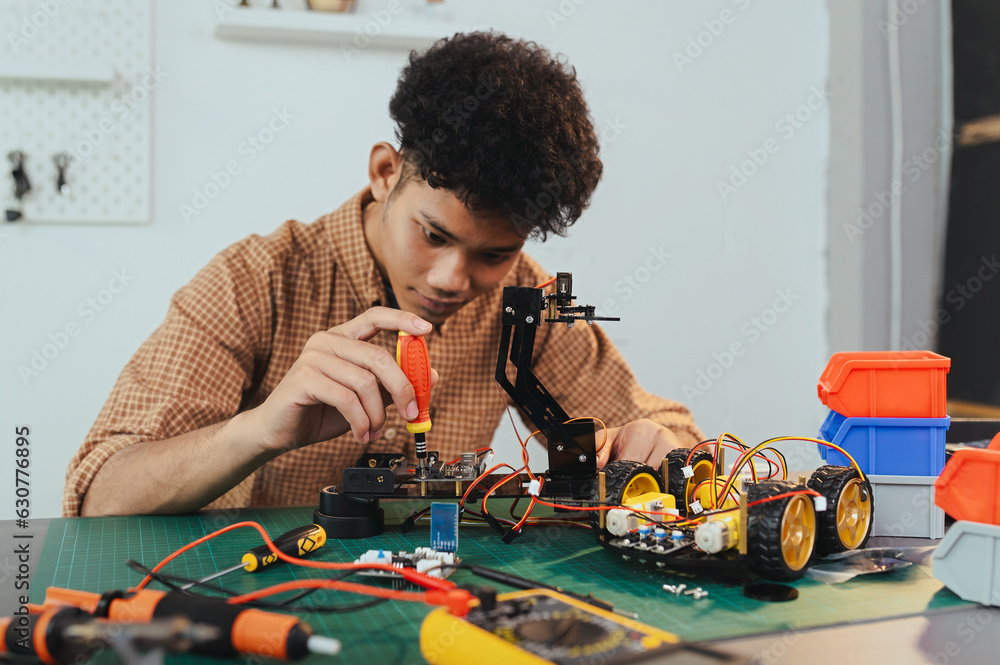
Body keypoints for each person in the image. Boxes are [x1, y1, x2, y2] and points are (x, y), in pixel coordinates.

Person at [64, 31, 702, 517]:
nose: (455, 279)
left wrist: (656, 444)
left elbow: (672, 434)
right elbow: (100, 494)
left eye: (493, 254)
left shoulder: (522, 302)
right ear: (385, 173)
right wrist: (257, 432)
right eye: (434, 234)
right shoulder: (254, 281)